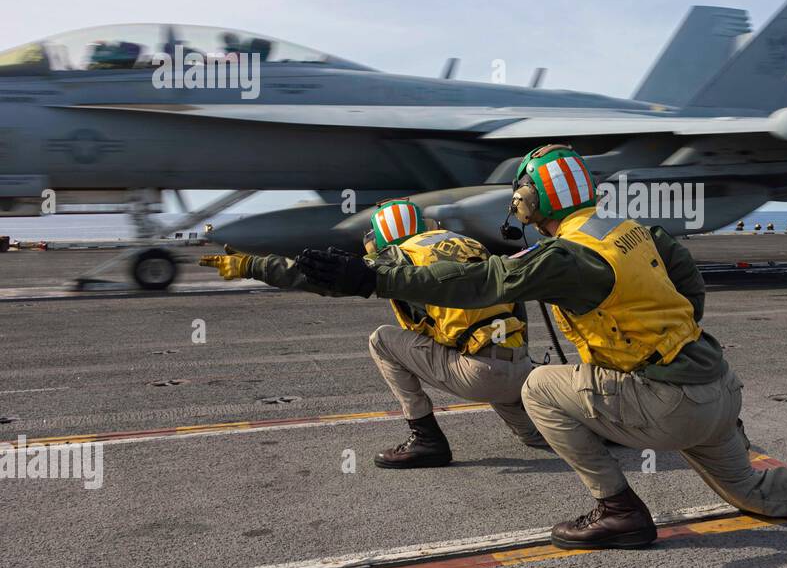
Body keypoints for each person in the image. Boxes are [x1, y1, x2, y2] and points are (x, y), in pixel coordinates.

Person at [294, 145, 787, 550]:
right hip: (715, 385)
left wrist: (372, 276)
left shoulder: (566, 256)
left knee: (541, 385)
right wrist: (658, 340)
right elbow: (689, 282)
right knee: (753, 493)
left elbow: (485, 279)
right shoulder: (632, 230)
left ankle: (618, 510)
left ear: (532, 201)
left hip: (667, 402)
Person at [199, 199, 546, 468]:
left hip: (477, 376)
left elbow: (316, 278)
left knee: (382, 339)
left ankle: (426, 439)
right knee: (535, 435)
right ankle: (563, 428)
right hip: (520, 371)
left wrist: (252, 265)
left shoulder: (399, 256)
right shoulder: (471, 246)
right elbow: (513, 305)